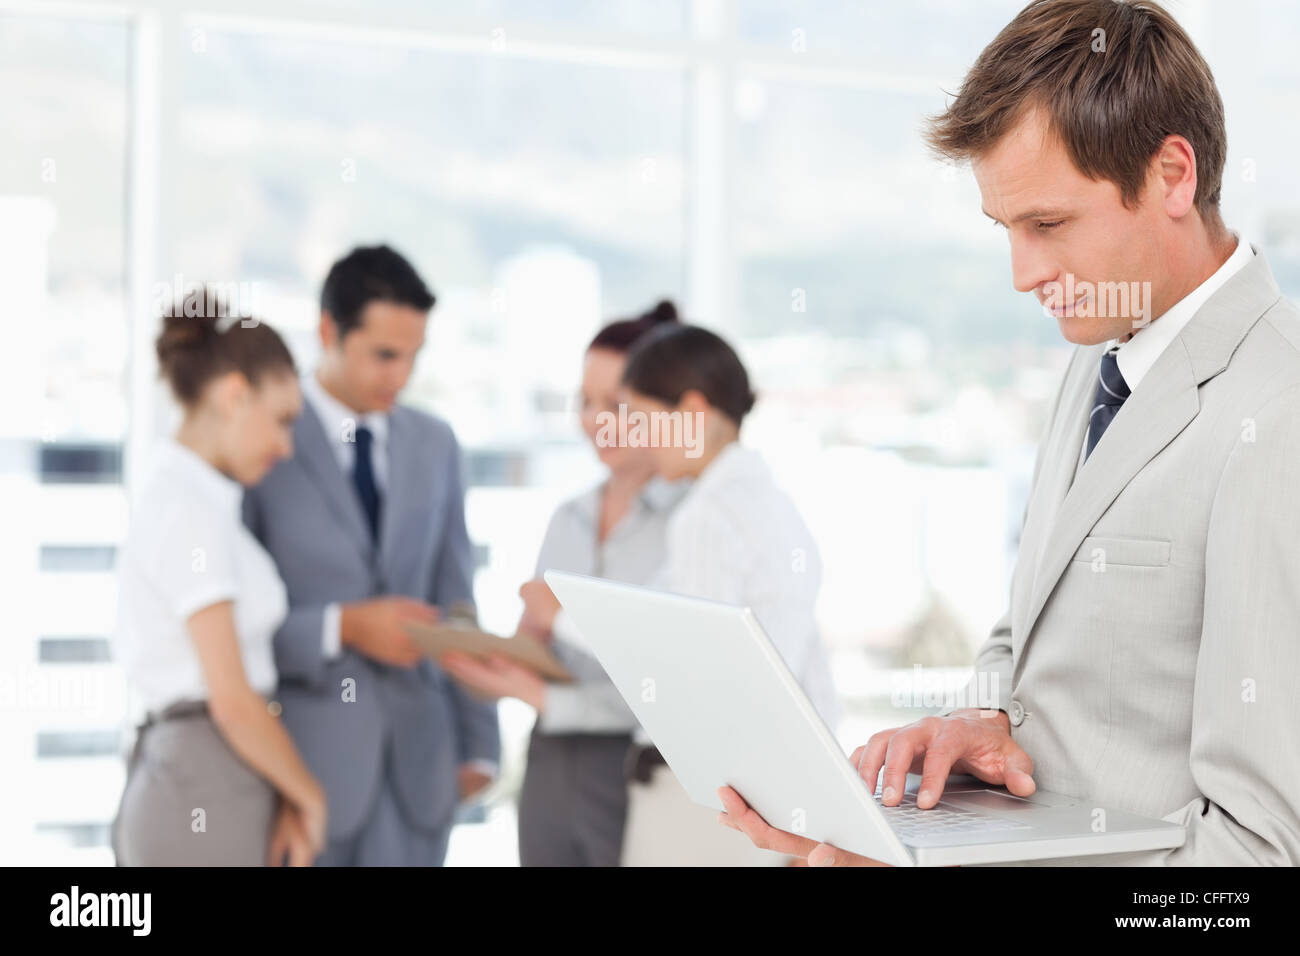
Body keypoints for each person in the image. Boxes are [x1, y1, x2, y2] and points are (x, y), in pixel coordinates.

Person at [720, 0, 1300, 866]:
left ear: (1173, 176)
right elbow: (1031, 627)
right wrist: (980, 719)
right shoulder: (1104, 353)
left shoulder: (1277, 411)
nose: (1024, 274)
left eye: (1049, 225)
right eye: (1006, 229)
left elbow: (1257, 856)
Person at [241, 245, 500, 866]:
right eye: (385, 355)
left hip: (421, 770)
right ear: (329, 331)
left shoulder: (435, 444)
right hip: (303, 770)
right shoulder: (264, 444)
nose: (401, 376)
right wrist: (345, 626)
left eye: (413, 356)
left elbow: (455, 597)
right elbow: (235, 627)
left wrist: (481, 746)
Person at [440, 301, 687, 866]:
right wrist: (499, 663)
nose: (597, 421)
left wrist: (538, 690)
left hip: (638, 768)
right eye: (587, 402)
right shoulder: (567, 518)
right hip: (550, 762)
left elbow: (666, 690)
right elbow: (539, 641)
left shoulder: (691, 528)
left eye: (618, 404)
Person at [113, 293, 326, 866]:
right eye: (282, 420)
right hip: (199, 786)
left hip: (215, 778)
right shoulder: (188, 509)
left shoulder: (201, 503)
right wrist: (310, 797)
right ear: (235, 394)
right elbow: (232, 699)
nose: (286, 447)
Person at [617, 322, 840, 866]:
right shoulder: (771, 502)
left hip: (714, 798)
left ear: (692, 410)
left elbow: (701, 676)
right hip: (778, 790)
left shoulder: (706, 516)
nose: (638, 441)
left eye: (643, 420)